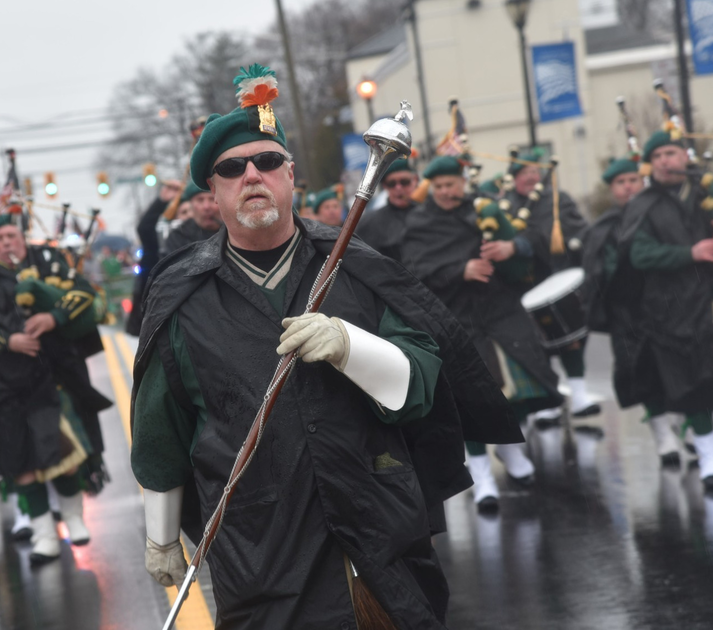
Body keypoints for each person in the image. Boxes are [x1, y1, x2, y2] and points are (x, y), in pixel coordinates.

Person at [130, 64, 520, 628]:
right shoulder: (181, 295)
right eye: (232, 168)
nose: (252, 175)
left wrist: (349, 346)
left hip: (378, 536)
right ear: (211, 191)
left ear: (291, 175)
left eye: (268, 161)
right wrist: (162, 535)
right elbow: (160, 431)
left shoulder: (357, 267)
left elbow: (420, 381)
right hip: (260, 551)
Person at [0, 213, 107, 563]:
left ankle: (73, 517)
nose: (6, 243)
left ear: (22, 239)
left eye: (11, 236)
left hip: (49, 379)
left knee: (64, 455)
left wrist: (53, 317)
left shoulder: (47, 265)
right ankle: (44, 534)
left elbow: (85, 294)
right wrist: (6, 341)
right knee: (21, 463)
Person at [400, 155, 565, 512]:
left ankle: (509, 449)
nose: (445, 192)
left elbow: (531, 240)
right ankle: (481, 474)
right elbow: (414, 270)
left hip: (501, 312)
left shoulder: (486, 208)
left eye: (451, 184)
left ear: (463, 182)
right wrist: (460, 270)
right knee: (469, 399)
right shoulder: (420, 223)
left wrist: (511, 247)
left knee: (515, 392)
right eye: (439, 186)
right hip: (455, 320)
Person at [614, 131, 713, 491]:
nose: (665, 160)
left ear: (684, 156)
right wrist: (689, 253)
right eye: (657, 155)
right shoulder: (643, 204)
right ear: (650, 164)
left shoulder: (711, 191)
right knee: (694, 380)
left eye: (671, 152)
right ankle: (708, 455)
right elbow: (639, 254)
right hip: (672, 304)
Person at [580, 158, 685, 451]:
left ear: (643, 181)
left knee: (678, 366)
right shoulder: (605, 226)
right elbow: (599, 272)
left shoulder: (664, 213)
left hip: (669, 305)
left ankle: (684, 421)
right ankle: (662, 433)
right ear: (612, 189)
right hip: (627, 312)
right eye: (620, 182)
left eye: (633, 180)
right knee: (641, 371)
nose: (628, 187)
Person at [502, 154, 600, 423]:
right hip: (523, 285)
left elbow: (581, 230)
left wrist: (577, 246)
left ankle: (579, 395)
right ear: (514, 178)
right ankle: (548, 399)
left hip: (558, 275)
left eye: (535, 172)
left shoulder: (558, 199)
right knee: (534, 345)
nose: (531, 177)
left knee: (571, 340)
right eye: (524, 173)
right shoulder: (505, 205)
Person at [126, 179, 183, 335]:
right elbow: (144, 228)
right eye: (182, 213)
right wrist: (161, 201)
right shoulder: (160, 247)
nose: (185, 218)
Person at [355, 157, 419, 262]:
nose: (398, 188)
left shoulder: (429, 214)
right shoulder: (370, 222)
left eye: (404, 182)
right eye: (392, 183)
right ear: (385, 186)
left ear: (415, 180)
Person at [162, 181, 223, 255]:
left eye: (212, 199)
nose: (206, 207)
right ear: (191, 205)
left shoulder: (232, 234)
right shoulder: (179, 236)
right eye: (200, 200)